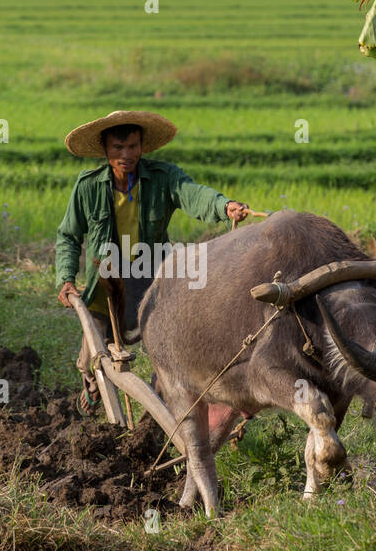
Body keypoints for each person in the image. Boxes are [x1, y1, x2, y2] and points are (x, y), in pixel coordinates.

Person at [55, 110, 248, 410]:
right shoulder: (88, 186)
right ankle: (92, 391)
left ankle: (165, 401)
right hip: (105, 282)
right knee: (93, 361)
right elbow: (68, 236)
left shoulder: (163, 178)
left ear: (142, 146)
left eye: (132, 146)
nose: (126, 155)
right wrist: (66, 279)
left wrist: (225, 207)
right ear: (105, 149)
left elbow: (194, 195)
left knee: (170, 349)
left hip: (152, 276)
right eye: (118, 148)